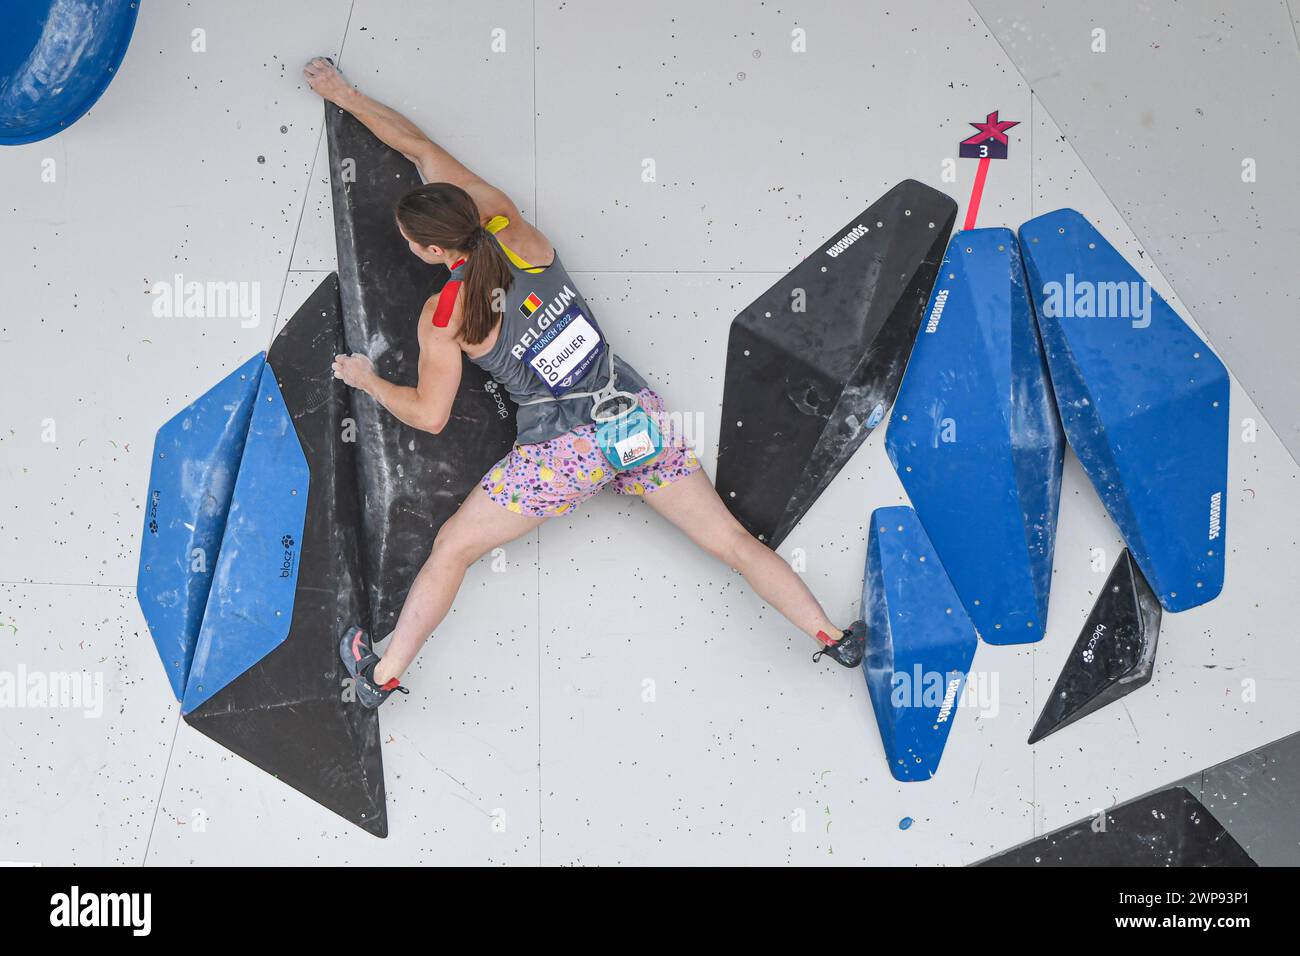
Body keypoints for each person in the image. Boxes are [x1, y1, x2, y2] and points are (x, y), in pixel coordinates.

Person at [303, 57, 864, 709]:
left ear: (432, 252)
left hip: (561, 458)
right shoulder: (516, 233)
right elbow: (423, 149)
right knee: (734, 542)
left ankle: (382, 675)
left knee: (453, 547)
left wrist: (370, 382)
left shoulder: (446, 317)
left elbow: (430, 416)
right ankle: (832, 635)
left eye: (412, 241)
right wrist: (347, 93)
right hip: (629, 420)